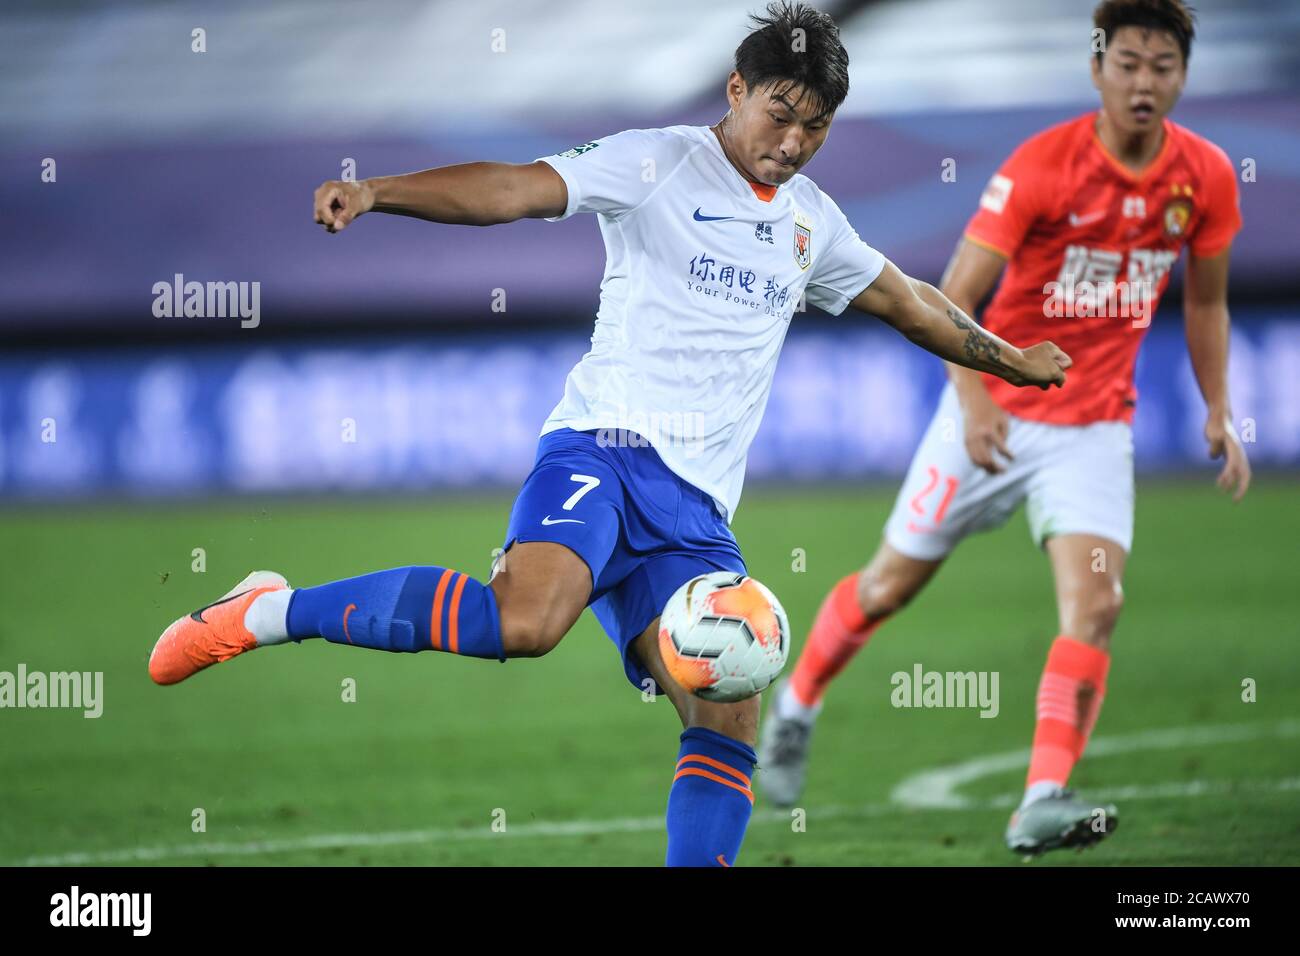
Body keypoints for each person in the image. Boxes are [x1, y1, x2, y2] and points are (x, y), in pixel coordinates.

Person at [149, 1, 1068, 866]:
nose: (793, 144)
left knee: (728, 716)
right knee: (525, 624)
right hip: (604, 450)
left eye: (816, 127)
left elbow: (907, 302)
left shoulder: (810, 224)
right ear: (737, 91)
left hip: (696, 511)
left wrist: (1006, 358)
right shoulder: (657, 161)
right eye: (780, 114)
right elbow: (513, 187)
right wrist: (381, 190)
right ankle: (262, 612)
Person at [759, 0, 1248, 855]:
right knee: (886, 589)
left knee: (1097, 604)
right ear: (1098, 66)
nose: (1144, 82)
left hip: (1094, 428)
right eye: (1128, 63)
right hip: (992, 413)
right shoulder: (1041, 167)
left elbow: (1205, 301)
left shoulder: (1204, 176)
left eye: (1162, 66)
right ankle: (797, 706)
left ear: (1182, 75)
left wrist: (1216, 406)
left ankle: (1042, 798)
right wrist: (976, 398)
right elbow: (952, 294)